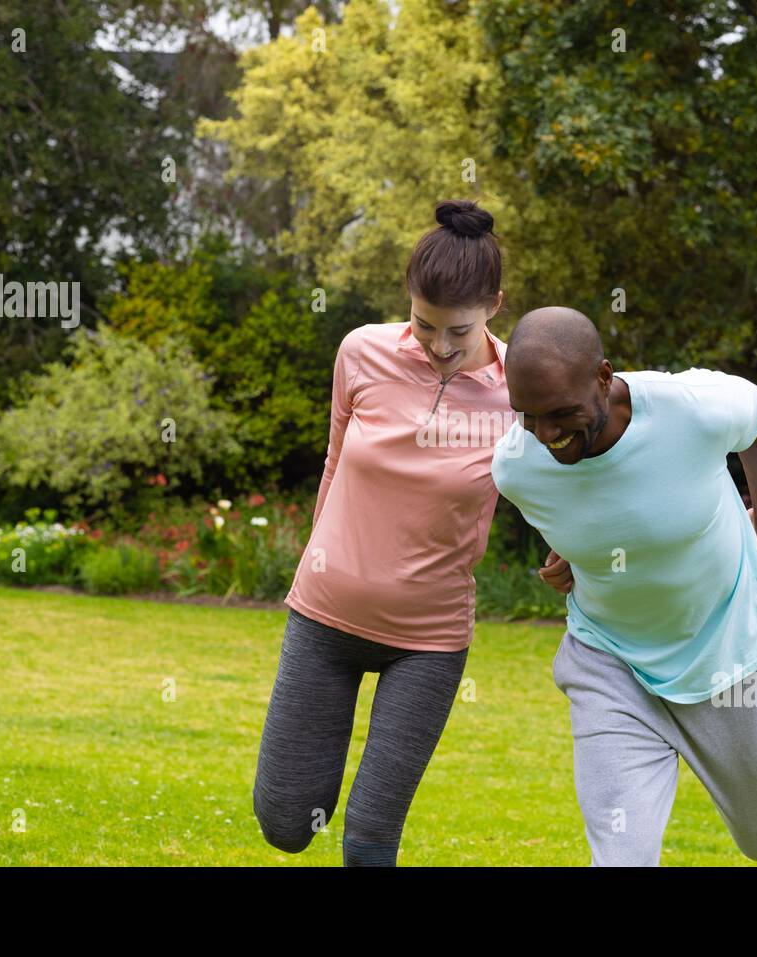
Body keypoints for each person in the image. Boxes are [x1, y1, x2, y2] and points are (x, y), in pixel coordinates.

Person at [491, 306, 757, 866]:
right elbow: (594, 514)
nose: (546, 435)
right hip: (611, 666)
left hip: (727, 655)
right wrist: (569, 553)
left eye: (561, 413)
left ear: (602, 376)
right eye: (528, 415)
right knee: (621, 857)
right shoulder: (518, 468)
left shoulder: (691, 410)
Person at [253, 199, 514, 866]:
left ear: (496, 306)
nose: (440, 345)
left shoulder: (520, 389)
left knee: (370, 838)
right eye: (425, 325)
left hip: (426, 641)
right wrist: (317, 561)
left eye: (459, 330)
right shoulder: (361, 352)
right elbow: (336, 462)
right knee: (285, 820)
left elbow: (559, 488)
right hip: (325, 615)